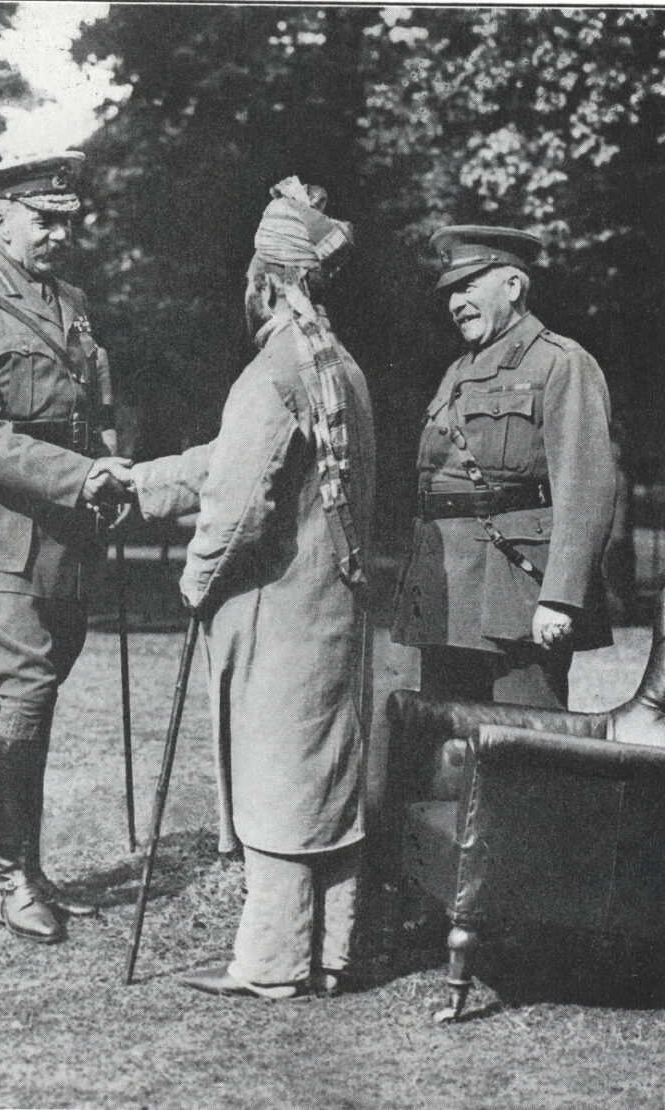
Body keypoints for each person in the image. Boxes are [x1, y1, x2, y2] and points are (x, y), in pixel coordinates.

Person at [132, 176, 375, 998]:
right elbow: (228, 459)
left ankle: (271, 963)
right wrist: (134, 481)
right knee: (327, 773)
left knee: (279, 777)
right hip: (335, 606)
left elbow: (237, 504)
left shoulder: (272, 371)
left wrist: (195, 582)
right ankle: (335, 951)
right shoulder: (341, 369)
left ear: (266, 280)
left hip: (282, 611)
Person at [0, 152, 134, 944]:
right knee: (28, 688)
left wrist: (111, 467)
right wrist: (86, 476)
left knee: (40, 700)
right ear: (1, 219)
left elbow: (98, 401)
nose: (60, 232)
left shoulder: (72, 301)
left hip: (65, 535)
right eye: (44, 219)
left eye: (68, 219)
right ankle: (9, 875)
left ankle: (31, 864)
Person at [392, 225, 617, 707]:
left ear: (513, 286)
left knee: (525, 748)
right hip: (447, 598)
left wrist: (559, 596)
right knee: (449, 752)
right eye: (450, 292)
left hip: (517, 595)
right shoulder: (457, 372)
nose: (456, 303)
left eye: (468, 286)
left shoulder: (561, 363)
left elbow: (586, 487)